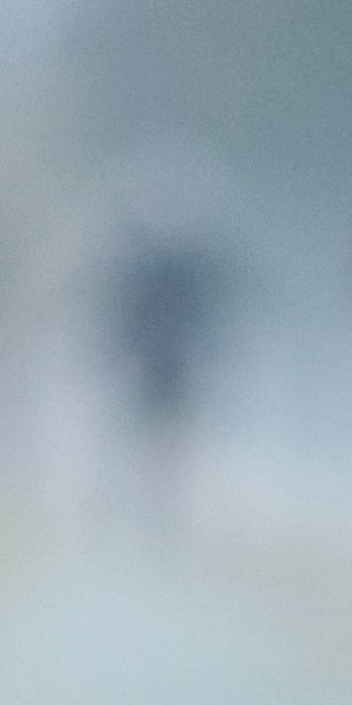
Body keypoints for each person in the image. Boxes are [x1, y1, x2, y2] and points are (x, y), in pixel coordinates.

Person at [93, 181, 241, 526]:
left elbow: (122, 311)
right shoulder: (192, 262)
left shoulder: (150, 260)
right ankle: (143, 507)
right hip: (165, 357)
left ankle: (142, 508)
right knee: (156, 434)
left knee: (149, 434)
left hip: (162, 357)